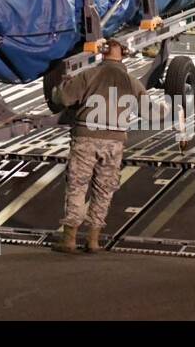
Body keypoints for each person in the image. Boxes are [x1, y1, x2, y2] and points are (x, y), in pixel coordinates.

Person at [50, 38, 146, 254]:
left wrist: (60, 85)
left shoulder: (88, 75)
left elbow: (62, 98)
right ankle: (93, 241)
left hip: (86, 137)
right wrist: (174, 109)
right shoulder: (131, 82)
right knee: (104, 189)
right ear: (124, 53)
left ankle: (69, 239)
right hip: (114, 142)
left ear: (102, 52)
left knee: (77, 186)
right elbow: (150, 111)